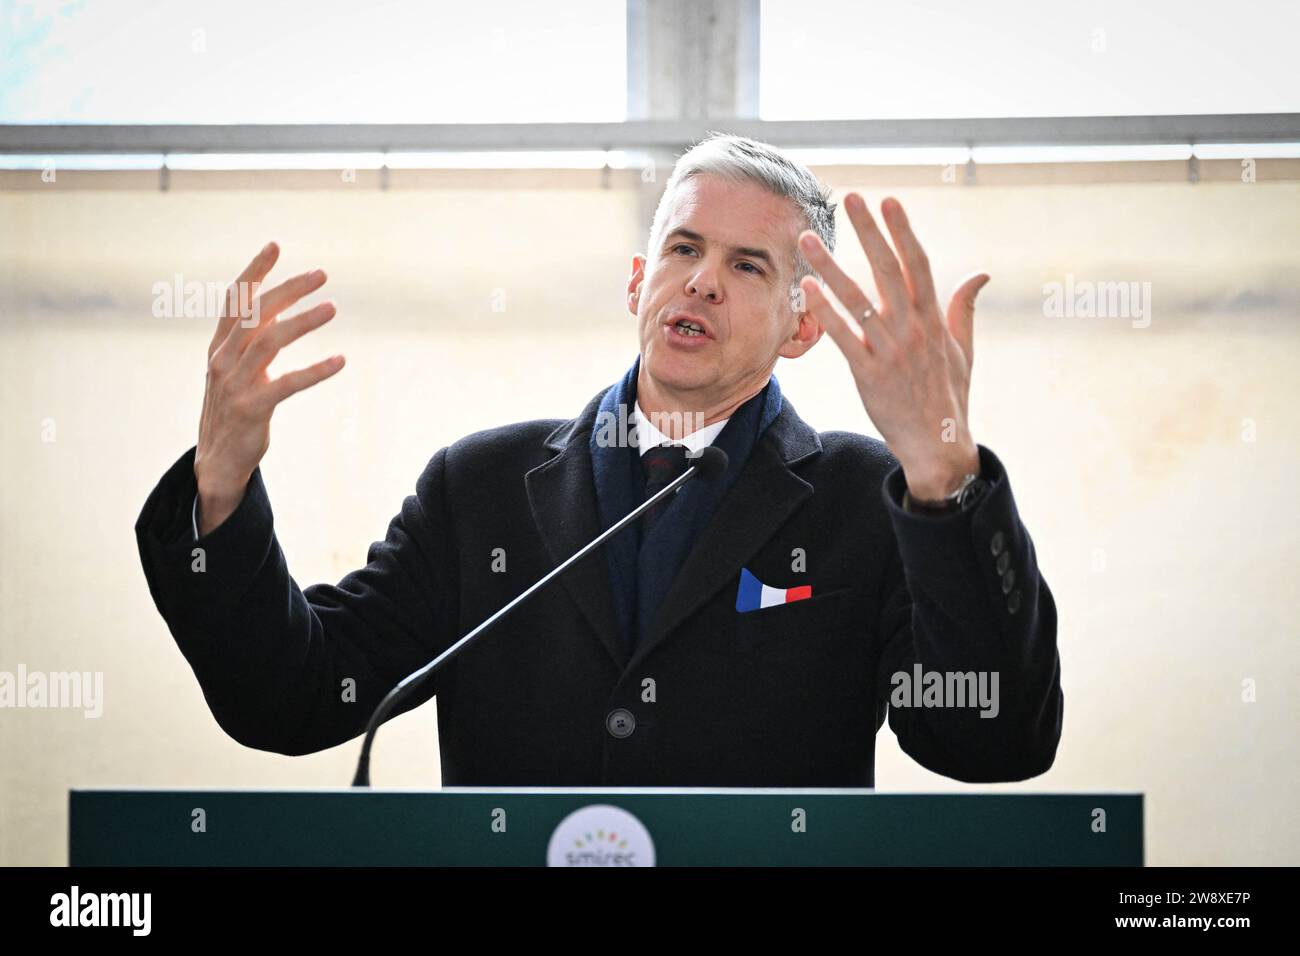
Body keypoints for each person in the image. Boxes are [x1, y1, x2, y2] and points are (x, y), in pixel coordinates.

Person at [135, 133, 1062, 786]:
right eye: (684, 248)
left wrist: (945, 480)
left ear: (802, 325)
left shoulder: (866, 499)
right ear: (637, 281)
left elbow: (988, 743)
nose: (701, 279)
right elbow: (293, 699)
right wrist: (219, 484)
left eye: (749, 267)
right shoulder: (481, 489)